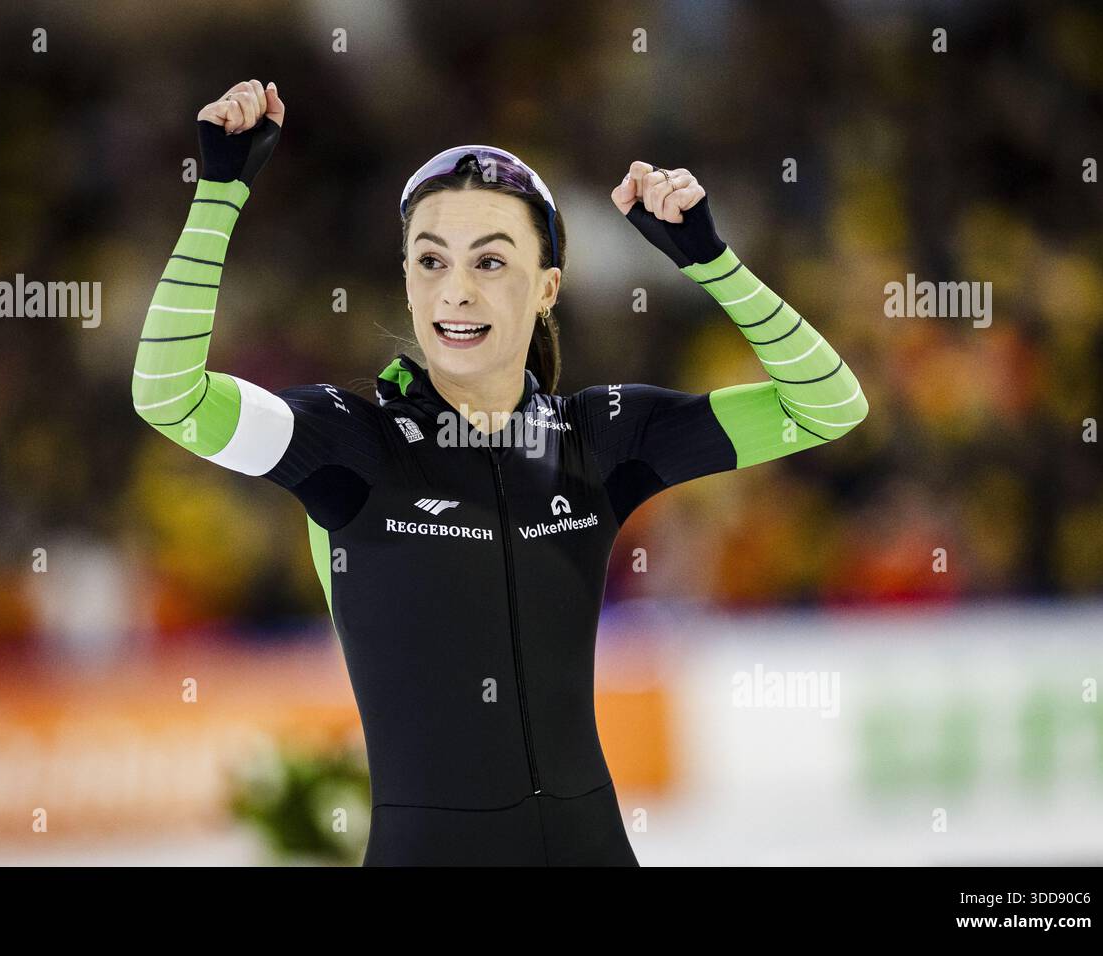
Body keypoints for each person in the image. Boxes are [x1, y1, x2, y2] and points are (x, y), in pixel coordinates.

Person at [133, 80, 869, 866]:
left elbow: (830, 406)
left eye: (491, 261)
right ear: (409, 284)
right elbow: (170, 398)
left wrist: (712, 262)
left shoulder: (600, 437)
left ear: (548, 286)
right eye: (431, 261)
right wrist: (219, 193)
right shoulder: (350, 444)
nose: (457, 290)